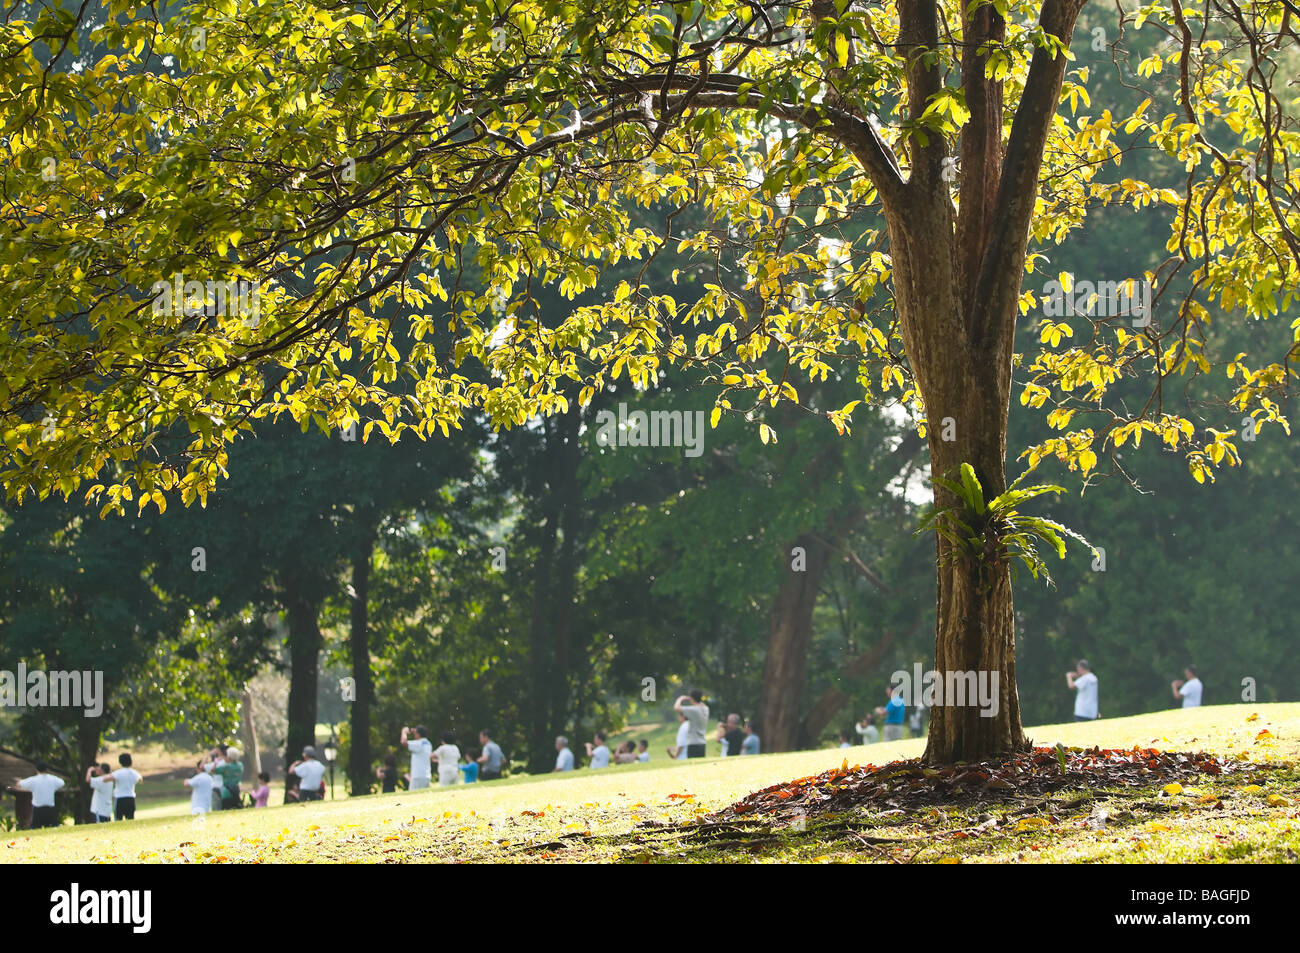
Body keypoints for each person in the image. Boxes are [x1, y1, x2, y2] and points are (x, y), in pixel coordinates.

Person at [18, 762, 65, 829]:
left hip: (38, 809)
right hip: (50, 808)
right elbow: (62, 783)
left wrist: (18, 781)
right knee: (52, 827)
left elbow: (21, 784)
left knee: (35, 827)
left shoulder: (34, 780)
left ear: (37, 770)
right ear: (46, 769)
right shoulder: (53, 779)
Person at [673, 689, 709, 758]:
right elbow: (701, 704)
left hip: (693, 743)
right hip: (702, 743)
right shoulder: (706, 709)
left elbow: (676, 708)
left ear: (692, 698)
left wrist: (680, 699)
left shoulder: (693, 710)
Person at [110, 752, 142, 820]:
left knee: (118, 819)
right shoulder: (134, 772)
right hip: (130, 798)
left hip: (119, 798)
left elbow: (107, 779)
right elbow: (140, 780)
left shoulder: (118, 773)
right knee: (130, 819)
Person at [401, 725, 434, 790]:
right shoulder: (428, 743)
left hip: (417, 776)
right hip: (426, 776)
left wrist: (404, 732)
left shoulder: (418, 743)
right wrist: (415, 731)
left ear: (418, 734)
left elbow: (403, 742)